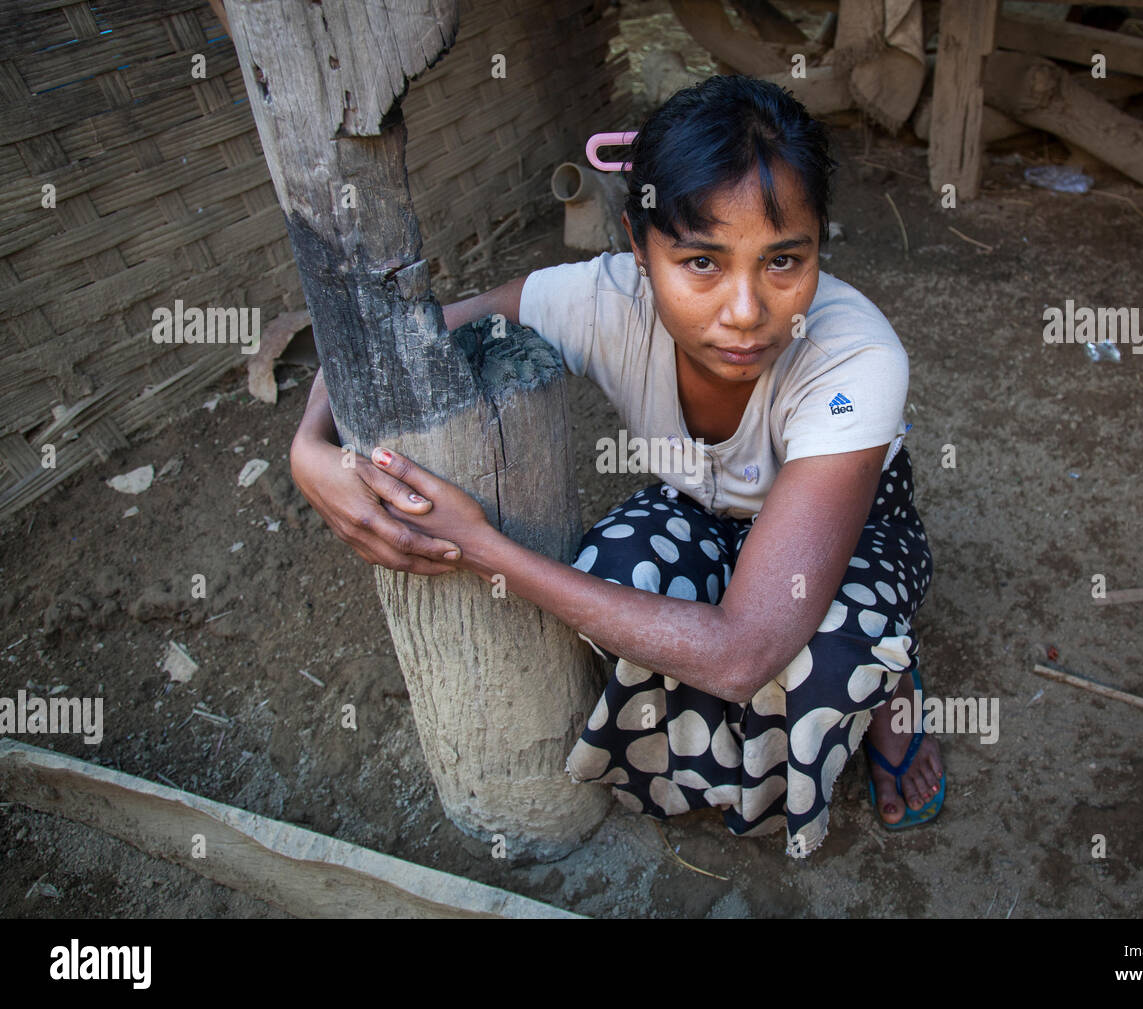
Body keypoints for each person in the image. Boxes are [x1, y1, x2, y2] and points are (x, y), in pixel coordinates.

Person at [289, 75, 943, 858]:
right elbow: (399, 335)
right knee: (615, 572)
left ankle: (891, 680)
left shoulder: (855, 355)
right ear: (639, 248)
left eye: (782, 261)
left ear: (816, 247)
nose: (745, 310)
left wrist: (487, 551)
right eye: (701, 261)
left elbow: (744, 652)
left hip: (848, 523)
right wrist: (307, 448)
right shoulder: (601, 299)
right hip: (704, 504)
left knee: (812, 664)